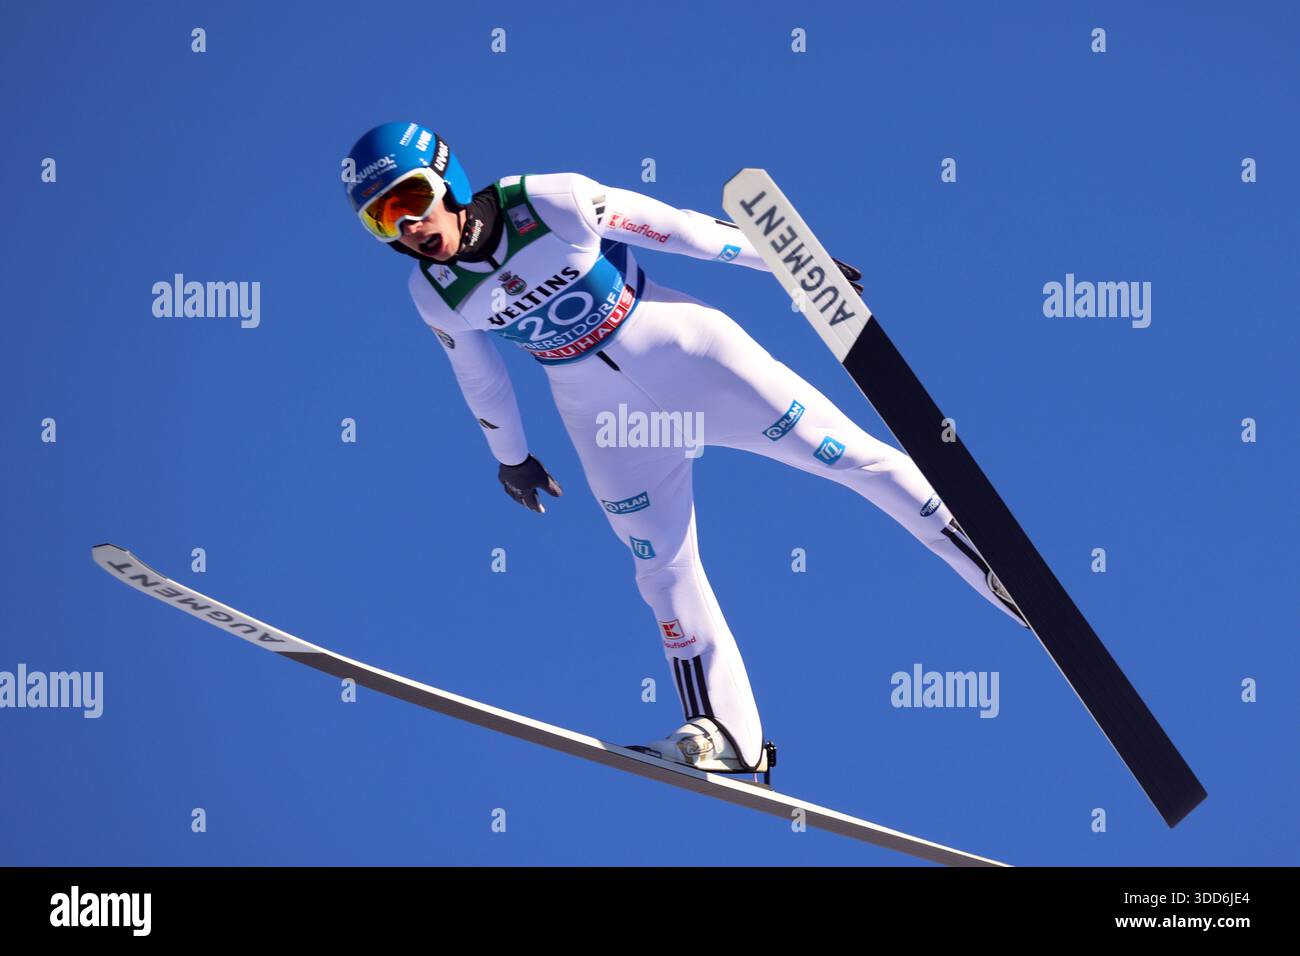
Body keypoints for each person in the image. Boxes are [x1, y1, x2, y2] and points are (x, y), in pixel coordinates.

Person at [343, 122, 1027, 778]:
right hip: (604, 421)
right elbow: (479, 376)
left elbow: (683, 229)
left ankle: (1000, 573)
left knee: (855, 459)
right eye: (381, 220)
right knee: (660, 568)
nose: (406, 226)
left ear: (447, 180)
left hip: (695, 357)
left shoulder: (547, 200)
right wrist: (512, 456)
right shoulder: (433, 293)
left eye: (409, 199)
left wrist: (791, 263)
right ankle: (727, 735)